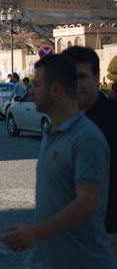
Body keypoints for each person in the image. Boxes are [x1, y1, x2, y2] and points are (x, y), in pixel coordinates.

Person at [1, 54, 116, 268]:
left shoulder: (86, 138)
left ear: (55, 89)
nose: (31, 91)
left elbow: (87, 203)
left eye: (36, 84)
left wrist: (35, 233)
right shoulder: (53, 132)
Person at [63, 46, 117, 255]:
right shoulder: (61, 122)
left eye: (81, 77)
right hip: (72, 234)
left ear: (96, 77)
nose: (75, 85)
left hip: (108, 232)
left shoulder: (112, 118)